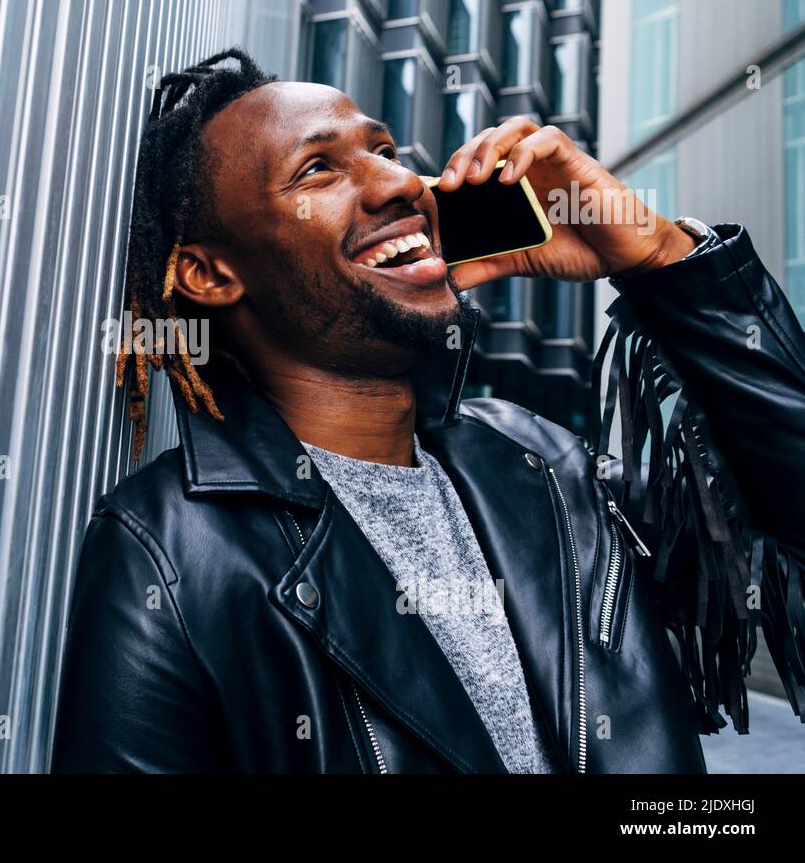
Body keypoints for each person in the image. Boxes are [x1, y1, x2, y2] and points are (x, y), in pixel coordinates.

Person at [50, 49, 805, 773]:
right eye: (319, 168)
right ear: (211, 275)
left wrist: (661, 258)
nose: (400, 182)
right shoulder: (173, 556)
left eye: (385, 148)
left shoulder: (543, 465)